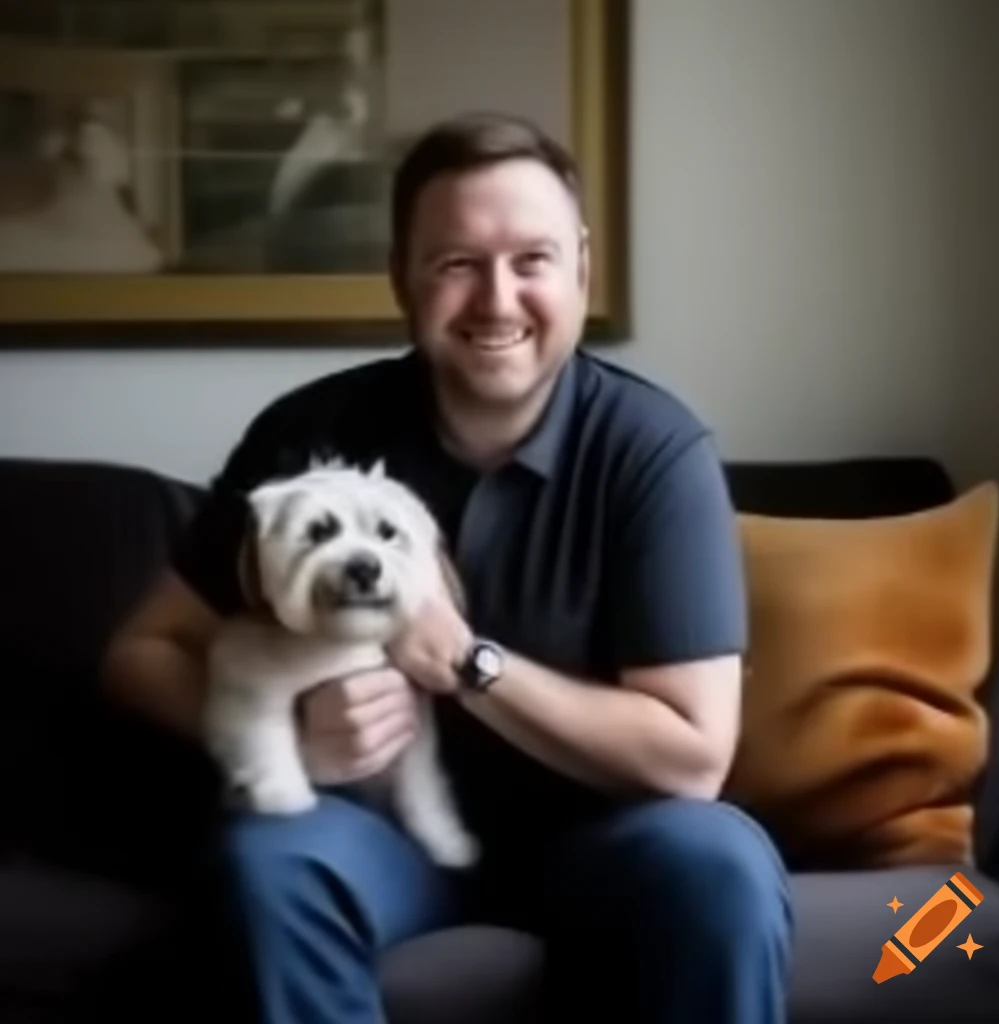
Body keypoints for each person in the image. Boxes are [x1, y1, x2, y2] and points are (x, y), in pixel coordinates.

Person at [102, 111, 794, 1024]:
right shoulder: (307, 435)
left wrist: (469, 665)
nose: (497, 300)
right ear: (402, 277)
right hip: (372, 834)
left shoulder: (654, 452)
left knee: (719, 865)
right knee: (263, 863)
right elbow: (142, 653)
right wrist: (283, 736)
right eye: (458, 263)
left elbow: (693, 757)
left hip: (607, 840)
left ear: (581, 264)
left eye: (531, 260)